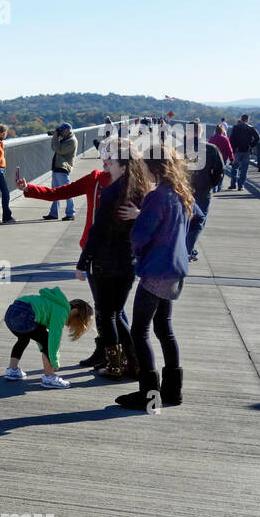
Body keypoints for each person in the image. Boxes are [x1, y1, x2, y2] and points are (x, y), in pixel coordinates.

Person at [114, 144, 204, 410]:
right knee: (164, 328)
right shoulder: (182, 193)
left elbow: (141, 234)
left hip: (156, 271)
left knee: (139, 331)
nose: (141, 169)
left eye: (143, 165)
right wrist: (182, 247)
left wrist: (136, 253)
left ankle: (149, 395)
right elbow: (198, 219)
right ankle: (172, 393)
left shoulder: (157, 197)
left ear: (153, 167)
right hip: (175, 269)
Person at [17, 145, 116, 367]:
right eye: (104, 157)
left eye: (108, 157)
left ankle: (119, 355)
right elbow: (60, 193)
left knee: (111, 309)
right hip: (94, 253)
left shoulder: (133, 183)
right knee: (105, 307)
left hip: (119, 255)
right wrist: (29, 188)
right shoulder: (95, 179)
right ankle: (110, 353)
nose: (103, 160)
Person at [77, 139, 154, 380]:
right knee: (118, 311)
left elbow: (97, 232)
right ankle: (135, 362)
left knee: (106, 314)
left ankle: (115, 365)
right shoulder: (142, 190)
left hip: (105, 262)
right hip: (129, 262)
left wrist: (82, 263)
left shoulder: (111, 192)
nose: (107, 166)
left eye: (111, 162)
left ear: (122, 166)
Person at [2, 286, 93, 389]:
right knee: (48, 342)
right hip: (26, 315)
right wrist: (55, 361)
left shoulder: (53, 303)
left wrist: (43, 347)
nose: (70, 325)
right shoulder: (62, 310)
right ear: (75, 312)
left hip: (11, 314)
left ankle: (12, 370)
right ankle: (49, 378)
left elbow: (39, 333)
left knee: (24, 339)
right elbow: (54, 338)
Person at [185, 127, 225, 261]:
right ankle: (188, 249)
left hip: (183, 189)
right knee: (198, 220)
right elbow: (220, 170)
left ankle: (186, 248)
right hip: (203, 190)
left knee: (184, 220)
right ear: (201, 132)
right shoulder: (211, 148)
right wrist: (211, 184)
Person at [44, 124, 78, 220]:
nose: (61, 132)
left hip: (63, 168)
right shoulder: (64, 139)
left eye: (62, 130)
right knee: (55, 192)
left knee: (68, 191)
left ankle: (71, 213)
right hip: (57, 167)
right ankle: (53, 213)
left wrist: (55, 136)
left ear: (68, 130)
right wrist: (56, 137)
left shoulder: (72, 141)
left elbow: (60, 150)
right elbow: (54, 147)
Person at [228, 114, 259, 190]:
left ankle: (233, 184)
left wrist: (233, 149)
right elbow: (257, 137)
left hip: (237, 150)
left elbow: (231, 139)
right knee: (244, 169)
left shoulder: (236, 127)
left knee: (235, 167)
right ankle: (241, 185)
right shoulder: (251, 128)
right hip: (247, 150)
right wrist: (251, 145)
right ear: (248, 119)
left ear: (241, 119)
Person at [209, 124, 234, 193]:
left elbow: (208, 148)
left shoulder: (212, 138)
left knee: (213, 172)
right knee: (221, 172)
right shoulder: (225, 139)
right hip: (223, 158)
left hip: (213, 158)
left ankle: (214, 187)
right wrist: (231, 159)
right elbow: (229, 149)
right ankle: (219, 187)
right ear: (222, 131)